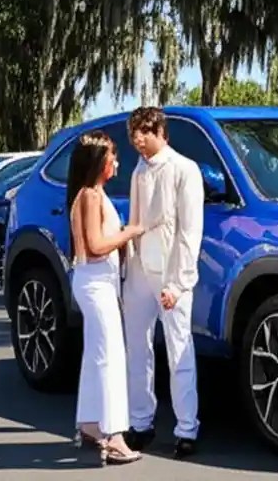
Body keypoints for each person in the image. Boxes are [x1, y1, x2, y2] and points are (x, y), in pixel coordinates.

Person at [121, 106, 205, 458]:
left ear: (160, 131)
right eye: (134, 134)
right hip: (139, 269)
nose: (137, 140)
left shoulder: (185, 169)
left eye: (143, 132)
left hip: (171, 272)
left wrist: (178, 282)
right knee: (137, 348)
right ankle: (140, 422)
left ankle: (187, 428)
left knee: (179, 350)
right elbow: (135, 219)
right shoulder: (139, 170)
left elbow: (190, 231)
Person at [66, 131, 146, 466]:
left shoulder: (95, 194)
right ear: (99, 162)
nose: (117, 162)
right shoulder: (90, 197)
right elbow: (96, 246)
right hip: (94, 283)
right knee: (111, 358)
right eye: (112, 156)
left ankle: (88, 424)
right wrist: (129, 232)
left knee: (96, 355)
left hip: (98, 282)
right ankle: (114, 435)